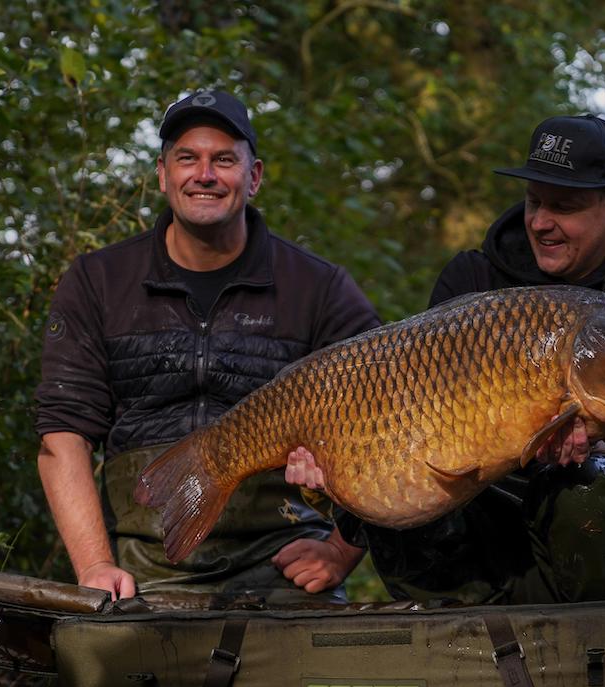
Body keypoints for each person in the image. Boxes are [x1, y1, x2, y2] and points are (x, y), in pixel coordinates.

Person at [287, 113, 605, 604]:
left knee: (592, 493)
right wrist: (338, 541)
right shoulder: (472, 277)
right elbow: (405, 423)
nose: (541, 223)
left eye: (564, 207)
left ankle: (589, 656)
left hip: (601, 503)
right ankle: (463, 651)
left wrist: (597, 436)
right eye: (533, 202)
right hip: (481, 506)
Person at [36, 89, 380, 602]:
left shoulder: (319, 288)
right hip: (142, 565)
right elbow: (63, 435)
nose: (205, 175)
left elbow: (392, 422)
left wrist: (341, 550)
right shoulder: (99, 280)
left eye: (224, 160)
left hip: (282, 563)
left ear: (254, 176)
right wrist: (95, 565)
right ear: (162, 174)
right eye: (187, 159)